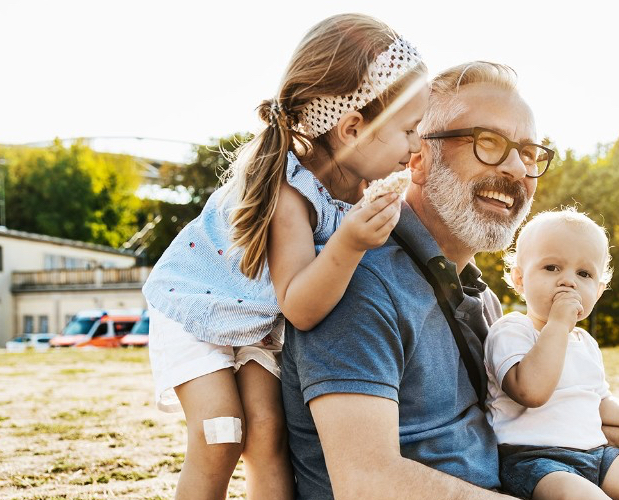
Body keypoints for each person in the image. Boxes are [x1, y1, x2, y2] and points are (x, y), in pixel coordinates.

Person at [281, 61, 619, 500]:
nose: (518, 168)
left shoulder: (482, 300)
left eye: (530, 153)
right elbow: (366, 480)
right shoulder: (360, 282)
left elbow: (527, 427)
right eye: (488, 142)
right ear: (417, 158)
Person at [141, 14, 427, 500]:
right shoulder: (288, 194)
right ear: (352, 127)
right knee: (221, 430)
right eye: (409, 130)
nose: (417, 146)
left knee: (269, 432)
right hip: (196, 305)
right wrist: (350, 243)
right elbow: (299, 303)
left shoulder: (355, 186)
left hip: (254, 318)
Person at [486, 208, 619, 500]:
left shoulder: (585, 342)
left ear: (597, 292)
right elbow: (531, 391)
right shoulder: (512, 329)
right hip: (535, 461)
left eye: (584, 273)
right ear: (519, 279)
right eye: (551, 267)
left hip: (596, 455)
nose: (568, 281)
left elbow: (598, 401)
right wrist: (558, 325)